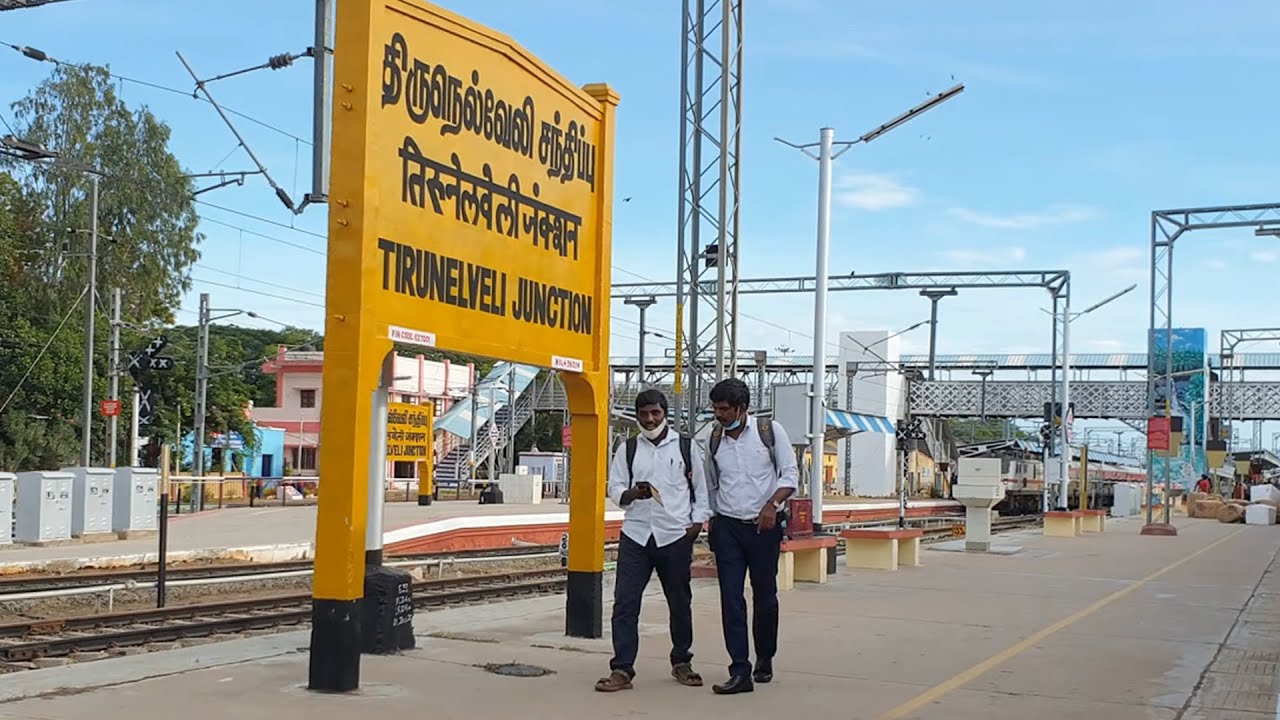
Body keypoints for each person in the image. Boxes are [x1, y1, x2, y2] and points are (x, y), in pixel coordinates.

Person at [595, 389, 710, 693]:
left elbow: (701, 488)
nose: (650, 419)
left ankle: (682, 661)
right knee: (625, 603)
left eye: (655, 413)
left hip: (674, 534)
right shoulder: (628, 449)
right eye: (644, 414)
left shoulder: (685, 447)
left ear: (665, 413)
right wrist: (633, 493)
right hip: (636, 534)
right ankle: (622, 668)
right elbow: (616, 489)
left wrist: (696, 524)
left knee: (679, 602)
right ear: (637, 415)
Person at [703, 378, 798, 695]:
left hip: (764, 527)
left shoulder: (770, 432)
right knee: (731, 597)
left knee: (765, 595)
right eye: (716, 409)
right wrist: (711, 520)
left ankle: (765, 656)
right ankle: (739, 670)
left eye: (725, 409)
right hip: (728, 525)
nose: (719, 415)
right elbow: (711, 483)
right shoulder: (714, 439)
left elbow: (789, 474)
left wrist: (773, 504)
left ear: (742, 408)